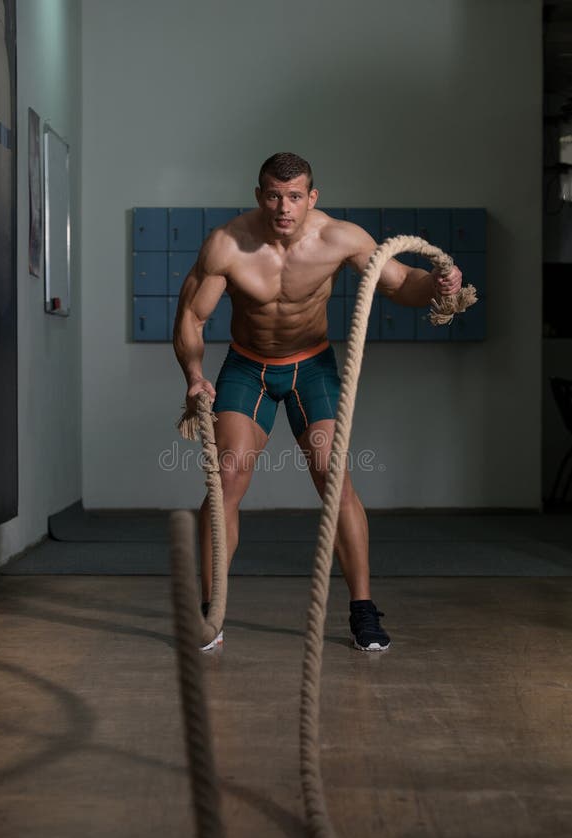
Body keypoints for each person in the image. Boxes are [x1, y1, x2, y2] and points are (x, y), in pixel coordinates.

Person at [173, 152, 462, 651]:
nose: (283, 207)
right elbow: (191, 318)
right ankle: (210, 609)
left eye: (294, 197)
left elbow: (398, 283)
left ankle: (363, 609)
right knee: (226, 481)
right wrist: (195, 375)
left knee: (335, 479)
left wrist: (437, 283)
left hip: (313, 366)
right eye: (272, 195)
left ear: (312, 197)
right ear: (258, 194)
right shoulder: (227, 245)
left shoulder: (339, 239)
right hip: (248, 367)